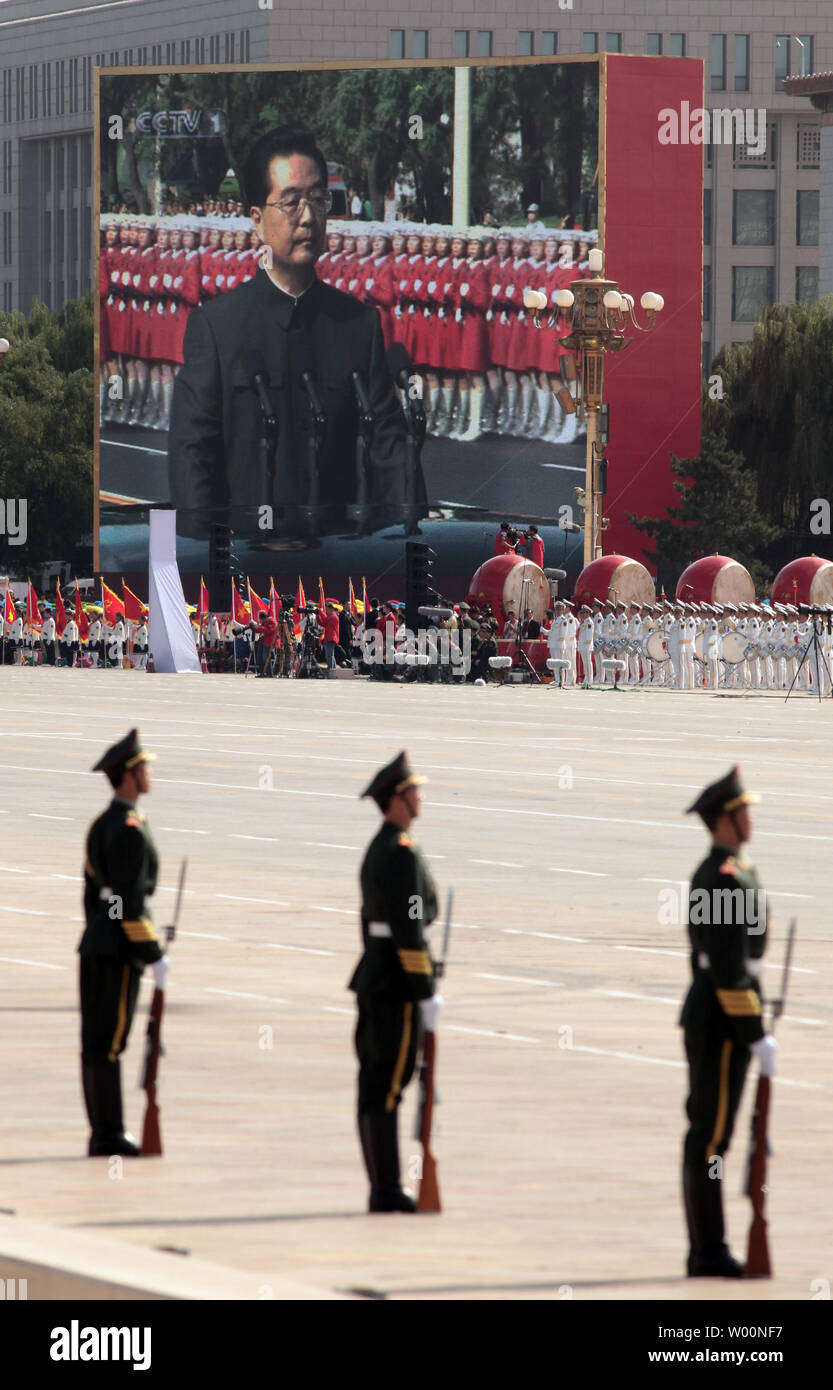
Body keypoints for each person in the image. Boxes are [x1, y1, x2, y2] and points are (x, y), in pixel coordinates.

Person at [169, 127, 424, 540]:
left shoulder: (358, 326)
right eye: (290, 202)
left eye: (318, 200)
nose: (307, 217)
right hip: (245, 575)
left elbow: (392, 460)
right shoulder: (218, 329)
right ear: (257, 221)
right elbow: (191, 464)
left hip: (343, 573)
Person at [681, 767, 775, 1277]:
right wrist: (754, 1032)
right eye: (745, 811)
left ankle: (709, 1244)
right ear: (726, 819)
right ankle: (707, 1249)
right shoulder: (722, 878)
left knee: (714, 1133)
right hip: (721, 1019)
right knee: (710, 1135)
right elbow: (725, 969)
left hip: (721, 1012)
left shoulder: (736, 870)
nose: (751, 818)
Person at [349, 752, 441, 1211]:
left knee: (374, 1084)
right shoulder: (401, 854)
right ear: (399, 799)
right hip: (397, 982)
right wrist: (425, 992)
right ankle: (386, 1189)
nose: (421, 796)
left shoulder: (379, 846)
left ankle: (381, 1184)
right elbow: (409, 930)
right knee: (387, 1084)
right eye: (415, 790)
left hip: (375, 975)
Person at [79, 730, 169, 1157]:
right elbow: (129, 903)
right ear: (130, 775)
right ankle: (109, 1133)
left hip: (96, 941)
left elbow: (94, 895)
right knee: (111, 1043)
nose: (150, 773)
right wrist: (152, 952)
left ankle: (102, 1131)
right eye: (145, 767)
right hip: (116, 949)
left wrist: (101, 928)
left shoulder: (102, 823)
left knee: (96, 1043)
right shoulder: (131, 829)